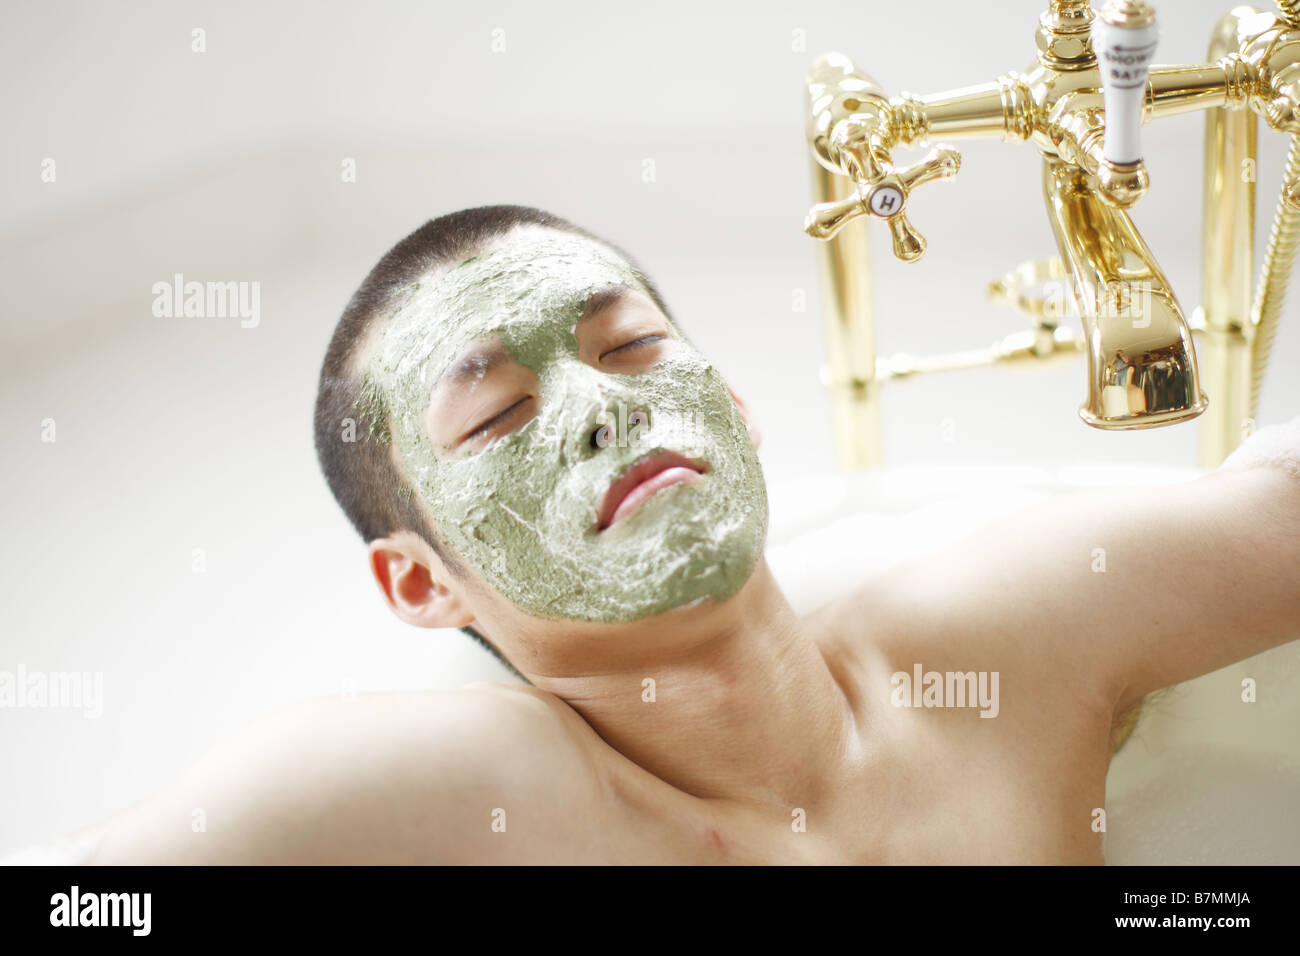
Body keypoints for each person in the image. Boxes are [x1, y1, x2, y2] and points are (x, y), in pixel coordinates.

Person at [14, 204, 1300, 864]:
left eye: (629, 347)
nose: (601, 409)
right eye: (498, 412)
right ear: (420, 583)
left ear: (730, 411)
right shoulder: (473, 783)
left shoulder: (996, 642)